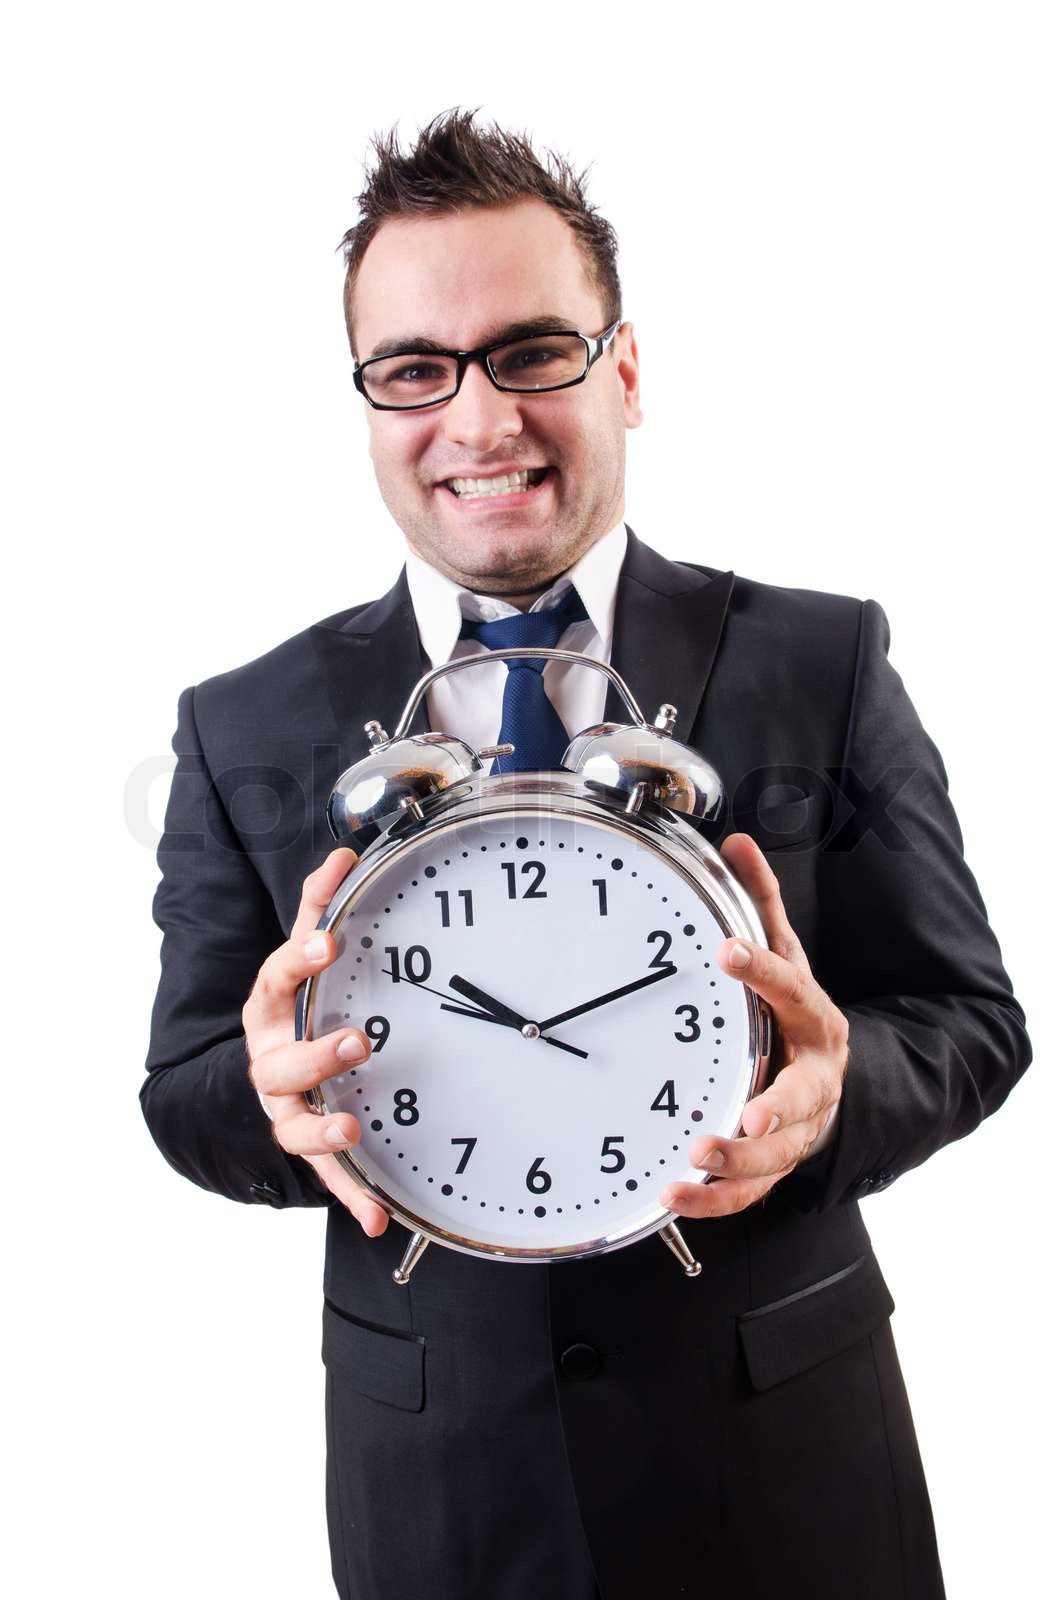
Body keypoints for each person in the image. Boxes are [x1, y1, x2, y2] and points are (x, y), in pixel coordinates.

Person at [142, 110, 1031, 1600]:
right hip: (443, 1486)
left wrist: (829, 1101)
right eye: (416, 369)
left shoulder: (821, 661)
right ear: (369, 402)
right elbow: (185, 1097)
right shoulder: (247, 725)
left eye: (531, 352)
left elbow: (970, 1023)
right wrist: (266, 1094)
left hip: (786, 1459)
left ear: (622, 369)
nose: (478, 421)